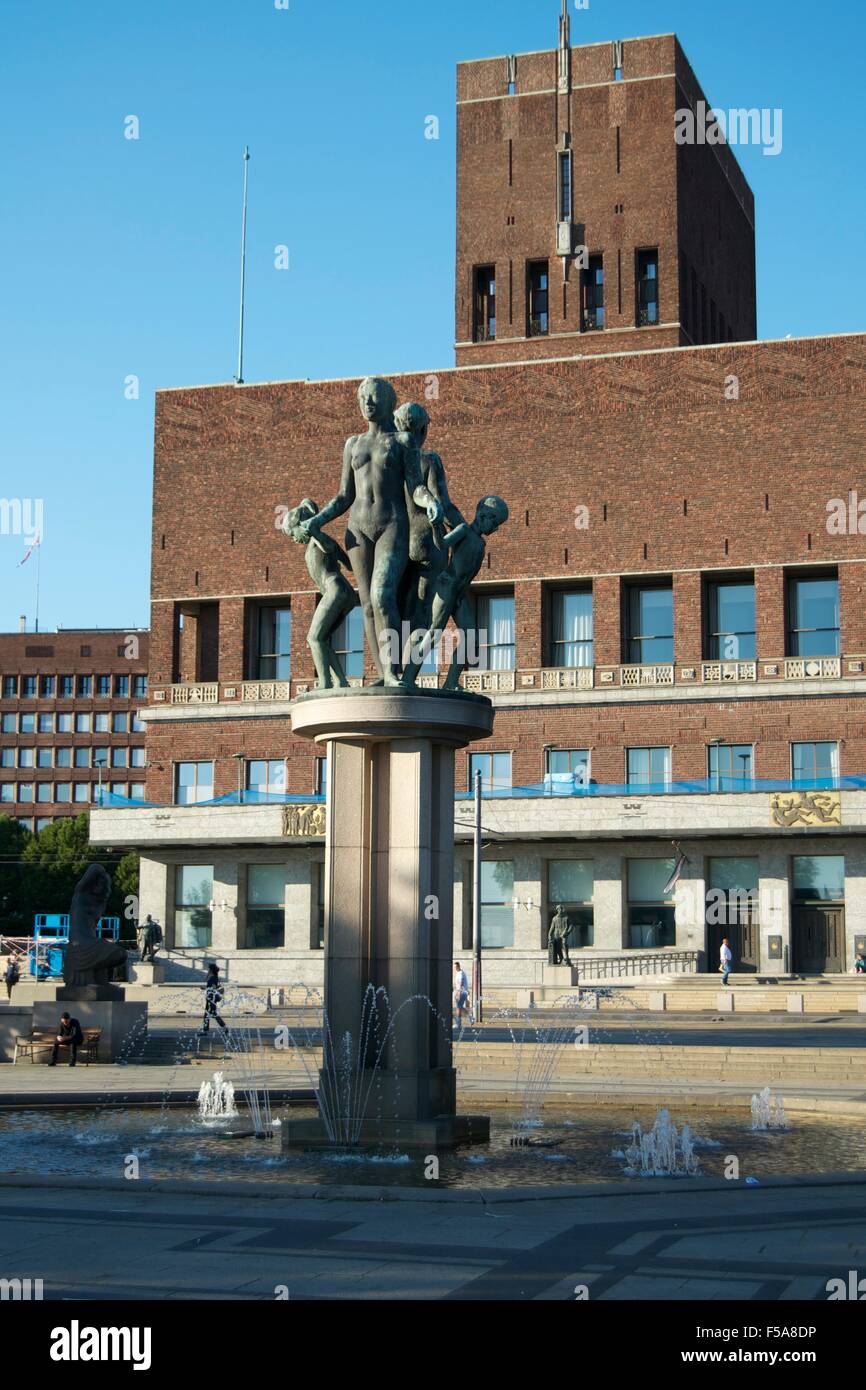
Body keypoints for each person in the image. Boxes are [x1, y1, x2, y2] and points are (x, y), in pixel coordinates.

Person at [199, 962, 228, 1035]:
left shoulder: (212, 978)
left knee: (208, 1015)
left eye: (209, 969)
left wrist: (207, 976)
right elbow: (211, 988)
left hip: (211, 999)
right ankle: (225, 1029)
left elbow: (211, 988)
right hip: (212, 999)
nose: (208, 970)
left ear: (211, 970)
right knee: (213, 1014)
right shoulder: (215, 978)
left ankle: (205, 1031)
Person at [453, 961, 469, 1029]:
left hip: (461, 992)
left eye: (456, 967)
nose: (455, 968)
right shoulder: (459, 973)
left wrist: (458, 992)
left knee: (458, 1007)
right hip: (463, 991)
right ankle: (470, 1017)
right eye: (454, 967)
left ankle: (458, 1024)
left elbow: (461, 982)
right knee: (460, 1007)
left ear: (459, 966)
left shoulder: (460, 973)